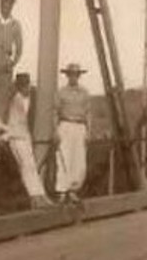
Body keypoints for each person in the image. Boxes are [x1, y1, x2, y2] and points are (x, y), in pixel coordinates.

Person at [7, 73, 52, 209]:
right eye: (24, 86)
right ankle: (36, 198)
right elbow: (12, 122)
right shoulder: (16, 100)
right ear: (19, 87)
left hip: (24, 136)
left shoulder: (26, 99)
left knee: (30, 167)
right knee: (27, 167)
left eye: (28, 85)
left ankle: (40, 196)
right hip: (16, 137)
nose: (27, 88)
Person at [55, 63, 92, 204]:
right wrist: (55, 131)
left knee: (79, 160)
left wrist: (89, 131)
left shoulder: (85, 92)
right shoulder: (61, 92)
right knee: (64, 157)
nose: (73, 77)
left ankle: (73, 190)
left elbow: (88, 113)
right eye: (71, 74)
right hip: (65, 124)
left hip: (80, 126)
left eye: (76, 74)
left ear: (79, 76)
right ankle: (62, 191)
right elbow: (55, 112)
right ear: (67, 76)